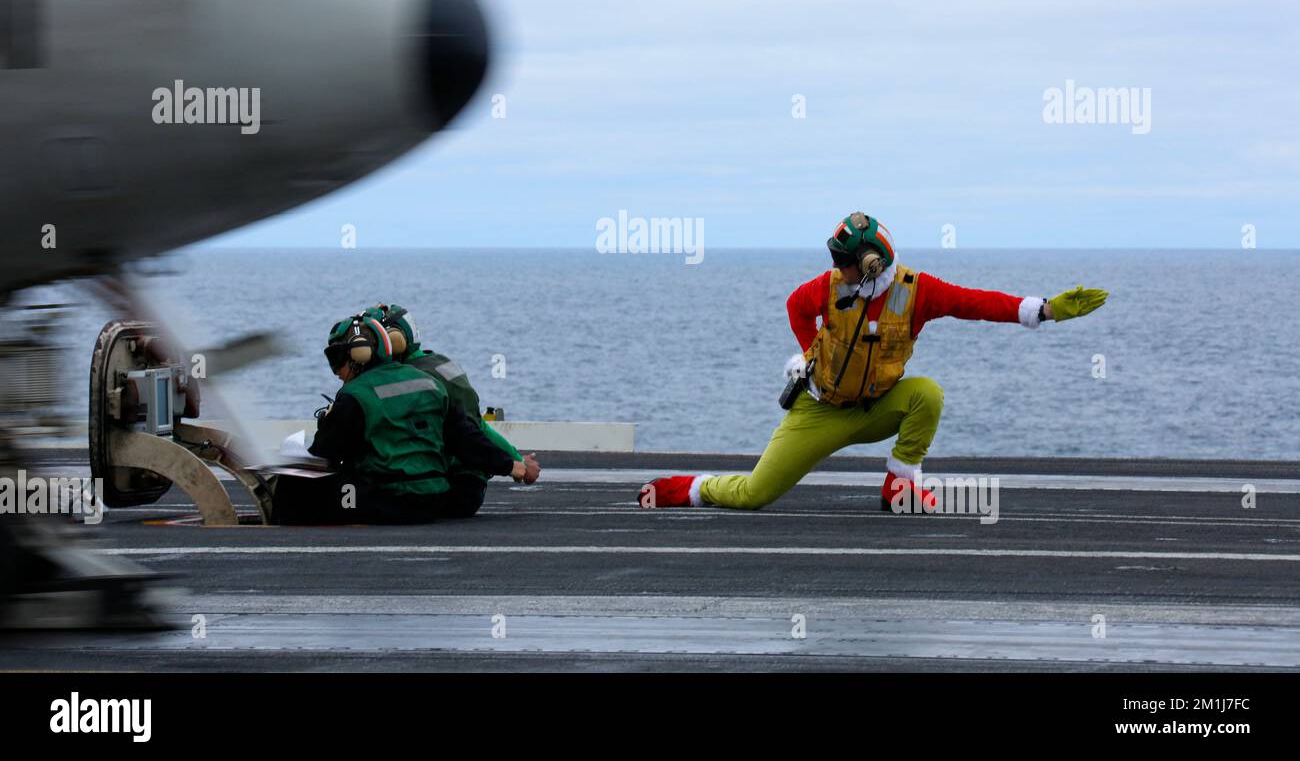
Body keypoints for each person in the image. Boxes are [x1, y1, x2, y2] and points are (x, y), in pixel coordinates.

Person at [637, 212, 1107, 513]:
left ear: (871, 265)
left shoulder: (916, 291)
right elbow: (795, 307)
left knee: (927, 394)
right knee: (756, 494)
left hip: (877, 407)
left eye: (843, 262)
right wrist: (807, 352)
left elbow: (975, 302)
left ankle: (898, 487)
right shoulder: (826, 288)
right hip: (821, 410)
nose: (836, 269)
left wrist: (1042, 309)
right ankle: (689, 487)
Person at [272, 315, 540, 525]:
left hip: (388, 501)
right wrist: (512, 466)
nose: (336, 372)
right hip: (432, 501)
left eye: (336, 360)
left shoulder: (356, 396)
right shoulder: (432, 384)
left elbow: (324, 456)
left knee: (294, 485)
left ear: (358, 355)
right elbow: (467, 438)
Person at [361, 303, 523, 488]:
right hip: (471, 480)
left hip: (444, 483)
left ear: (394, 341)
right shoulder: (441, 362)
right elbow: (478, 426)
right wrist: (517, 460)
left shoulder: (408, 379)